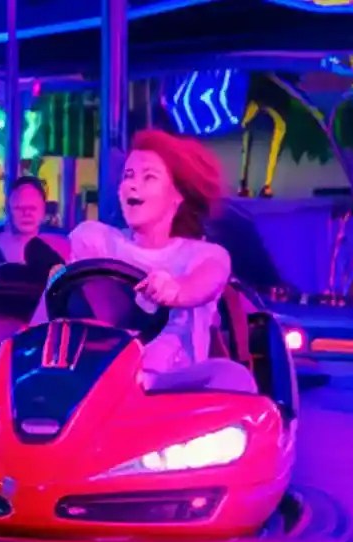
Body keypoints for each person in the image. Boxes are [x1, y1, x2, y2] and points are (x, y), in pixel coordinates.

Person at [56, 129, 257, 393]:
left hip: (168, 389)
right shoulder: (97, 240)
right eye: (128, 176)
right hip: (95, 383)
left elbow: (205, 280)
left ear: (177, 195)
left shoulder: (203, 255)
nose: (132, 185)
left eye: (148, 177)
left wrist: (176, 290)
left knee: (232, 376)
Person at [0, 177, 69, 282]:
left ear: (43, 211)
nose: (27, 214)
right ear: (7, 210)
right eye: (19, 208)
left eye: (32, 208)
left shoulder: (56, 250)